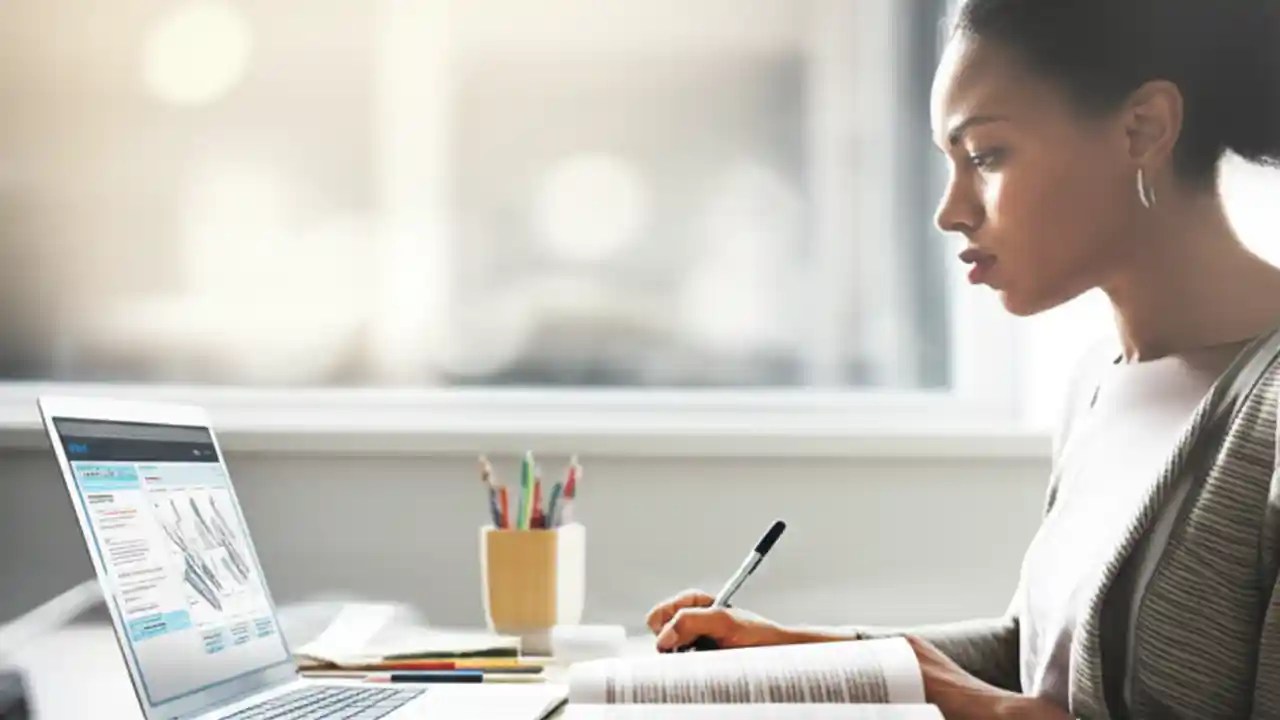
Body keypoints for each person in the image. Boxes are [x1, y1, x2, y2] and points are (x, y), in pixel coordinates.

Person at [645, 1, 1280, 719]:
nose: (950, 210)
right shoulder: (1101, 384)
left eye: (986, 156)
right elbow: (1037, 659)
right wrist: (800, 651)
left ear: (1144, 128)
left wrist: (949, 690)